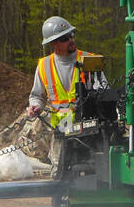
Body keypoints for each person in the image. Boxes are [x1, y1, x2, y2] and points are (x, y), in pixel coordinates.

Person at [26, 16, 98, 170]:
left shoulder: (90, 60)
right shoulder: (44, 65)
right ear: (53, 43)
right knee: (59, 175)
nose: (71, 40)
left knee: (91, 171)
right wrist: (35, 106)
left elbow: (103, 91)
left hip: (89, 131)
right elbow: (36, 96)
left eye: (72, 35)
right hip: (61, 131)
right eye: (65, 38)